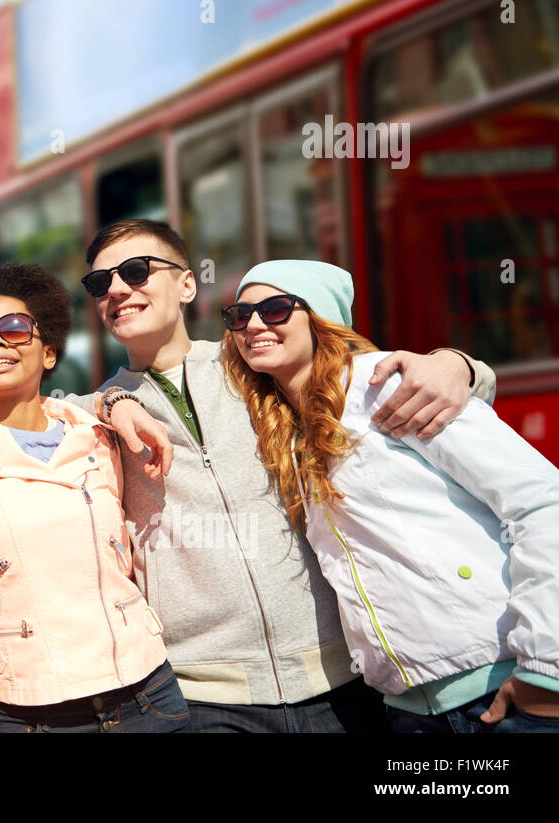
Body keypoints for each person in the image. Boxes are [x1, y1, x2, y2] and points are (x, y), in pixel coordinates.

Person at [90, 219, 498, 732]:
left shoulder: (258, 361)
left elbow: (368, 376)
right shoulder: (90, 417)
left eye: (134, 271)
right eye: (99, 283)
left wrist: (458, 363)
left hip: (341, 677)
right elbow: (38, 419)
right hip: (205, 694)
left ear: (188, 284)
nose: (117, 290)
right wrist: (115, 398)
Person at [222, 260, 559, 733]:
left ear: (321, 320)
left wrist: (547, 667)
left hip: (503, 687)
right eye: (238, 315)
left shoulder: (388, 386)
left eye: (275, 309)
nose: (253, 324)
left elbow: (541, 501)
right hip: (409, 712)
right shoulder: (282, 432)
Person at [0, 262, 189, 733]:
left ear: (49, 352)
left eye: (14, 328)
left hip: (146, 693)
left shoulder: (99, 435)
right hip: (30, 709)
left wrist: (112, 400)